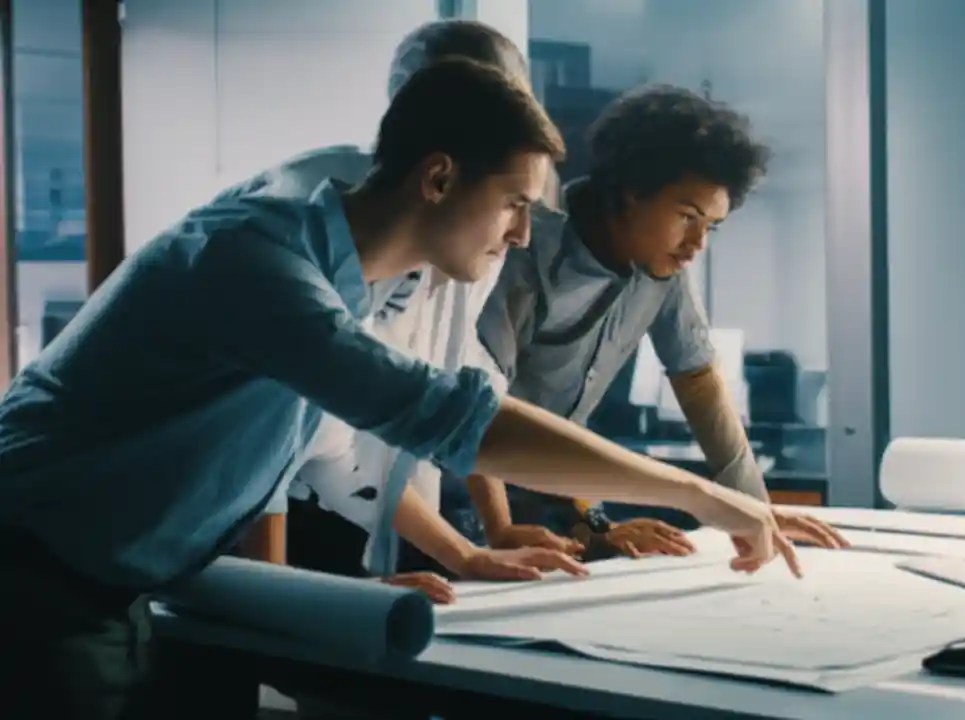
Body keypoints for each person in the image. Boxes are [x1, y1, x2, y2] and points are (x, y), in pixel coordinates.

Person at [0, 58, 798, 720]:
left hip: (126, 584)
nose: (522, 233)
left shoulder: (349, 287)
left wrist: (358, 585)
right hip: (34, 581)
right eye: (516, 202)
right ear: (440, 178)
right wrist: (706, 496)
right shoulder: (265, 265)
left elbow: (297, 463)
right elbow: (455, 421)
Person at [221, 19, 579, 604]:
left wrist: (481, 539)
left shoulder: (470, 229)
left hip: (376, 502)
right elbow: (281, 428)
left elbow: (455, 388)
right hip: (259, 517)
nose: (519, 232)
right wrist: (279, 597)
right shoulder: (307, 212)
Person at [454, 85, 853, 562]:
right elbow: (477, 406)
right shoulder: (522, 246)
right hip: (450, 501)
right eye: (687, 217)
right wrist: (498, 528)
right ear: (629, 192)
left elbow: (701, 388)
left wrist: (754, 511)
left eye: (711, 226)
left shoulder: (663, 271)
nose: (698, 244)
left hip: (546, 499)